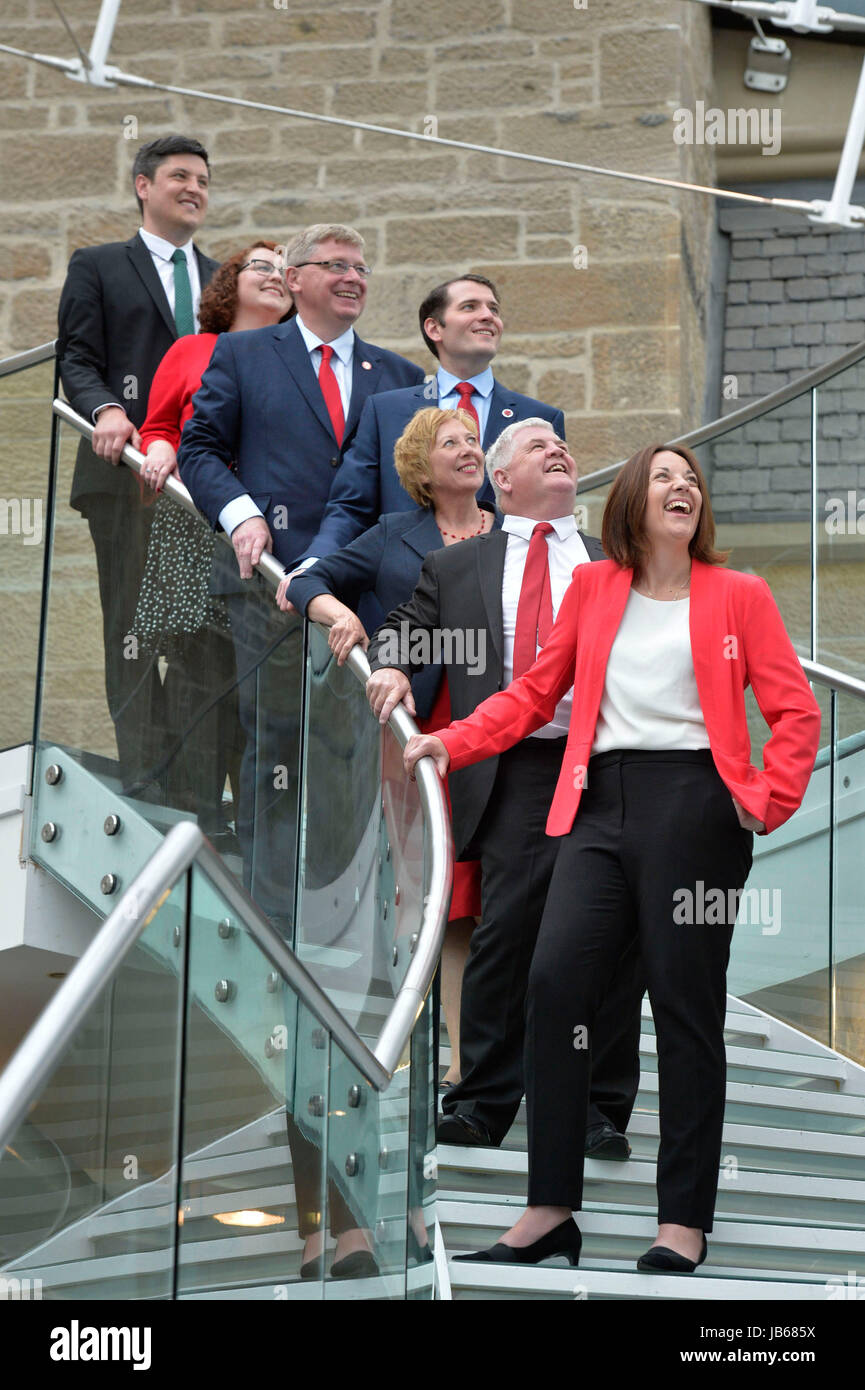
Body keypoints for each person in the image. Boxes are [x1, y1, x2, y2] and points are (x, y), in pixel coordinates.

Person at [405, 443, 822, 1271]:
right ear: (632, 500)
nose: (682, 488)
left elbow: (794, 712)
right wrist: (450, 743)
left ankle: (681, 1224)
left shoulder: (739, 595)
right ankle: (550, 1207)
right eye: (664, 477)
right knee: (554, 980)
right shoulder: (594, 587)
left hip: (696, 806)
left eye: (692, 479)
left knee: (683, 1005)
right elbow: (531, 693)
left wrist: (763, 799)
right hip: (594, 804)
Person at [367, 420, 644, 1153]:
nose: (557, 451)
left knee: (605, 939)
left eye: (562, 447)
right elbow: (404, 630)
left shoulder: (613, 559)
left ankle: (592, 1111)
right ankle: (482, 1102)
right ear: (503, 482)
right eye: (534, 448)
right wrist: (393, 666)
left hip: (604, 763)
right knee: (504, 932)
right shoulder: (457, 567)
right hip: (513, 767)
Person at [177, 224, 425, 926]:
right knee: (275, 744)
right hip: (268, 583)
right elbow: (199, 448)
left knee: (352, 751)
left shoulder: (401, 377)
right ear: (295, 279)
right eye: (336, 265)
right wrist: (241, 515)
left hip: (361, 589)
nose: (353, 278)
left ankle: (333, 907)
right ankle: (271, 918)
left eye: (361, 267)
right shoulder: (244, 353)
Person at [283, 407, 498, 1086]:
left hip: (508, 730)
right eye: (450, 443)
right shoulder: (389, 536)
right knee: (448, 895)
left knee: (512, 895)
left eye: (472, 440)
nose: (467, 449)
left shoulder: (516, 534)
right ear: (420, 469)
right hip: (423, 736)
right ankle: (459, 1064)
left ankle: (503, 1056)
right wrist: (341, 613)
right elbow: (302, 582)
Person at [57, 134, 216, 793]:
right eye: (179, 175)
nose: (194, 188)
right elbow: (76, 360)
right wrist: (105, 413)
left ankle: (193, 784)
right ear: (142, 185)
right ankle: (146, 778)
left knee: (197, 638)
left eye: (203, 180)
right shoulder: (98, 265)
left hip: (201, 485)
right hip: (123, 477)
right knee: (132, 630)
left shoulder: (221, 280)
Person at [131, 242, 294, 837]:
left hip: (273, 530)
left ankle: (248, 826)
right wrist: (160, 446)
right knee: (202, 672)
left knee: (261, 687)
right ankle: (193, 816)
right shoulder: (194, 349)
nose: (275, 276)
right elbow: (161, 424)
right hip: (199, 524)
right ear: (230, 284)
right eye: (261, 267)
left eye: (285, 271)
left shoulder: (299, 360)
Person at [295, 274, 566, 571]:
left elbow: (552, 510)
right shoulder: (385, 411)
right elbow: (351, 506)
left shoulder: (539, 420)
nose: (488, 316)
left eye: (494, 309)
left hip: (504, 589)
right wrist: (315, 562)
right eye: (470, 307)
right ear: (434, 328)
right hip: (403, 597)